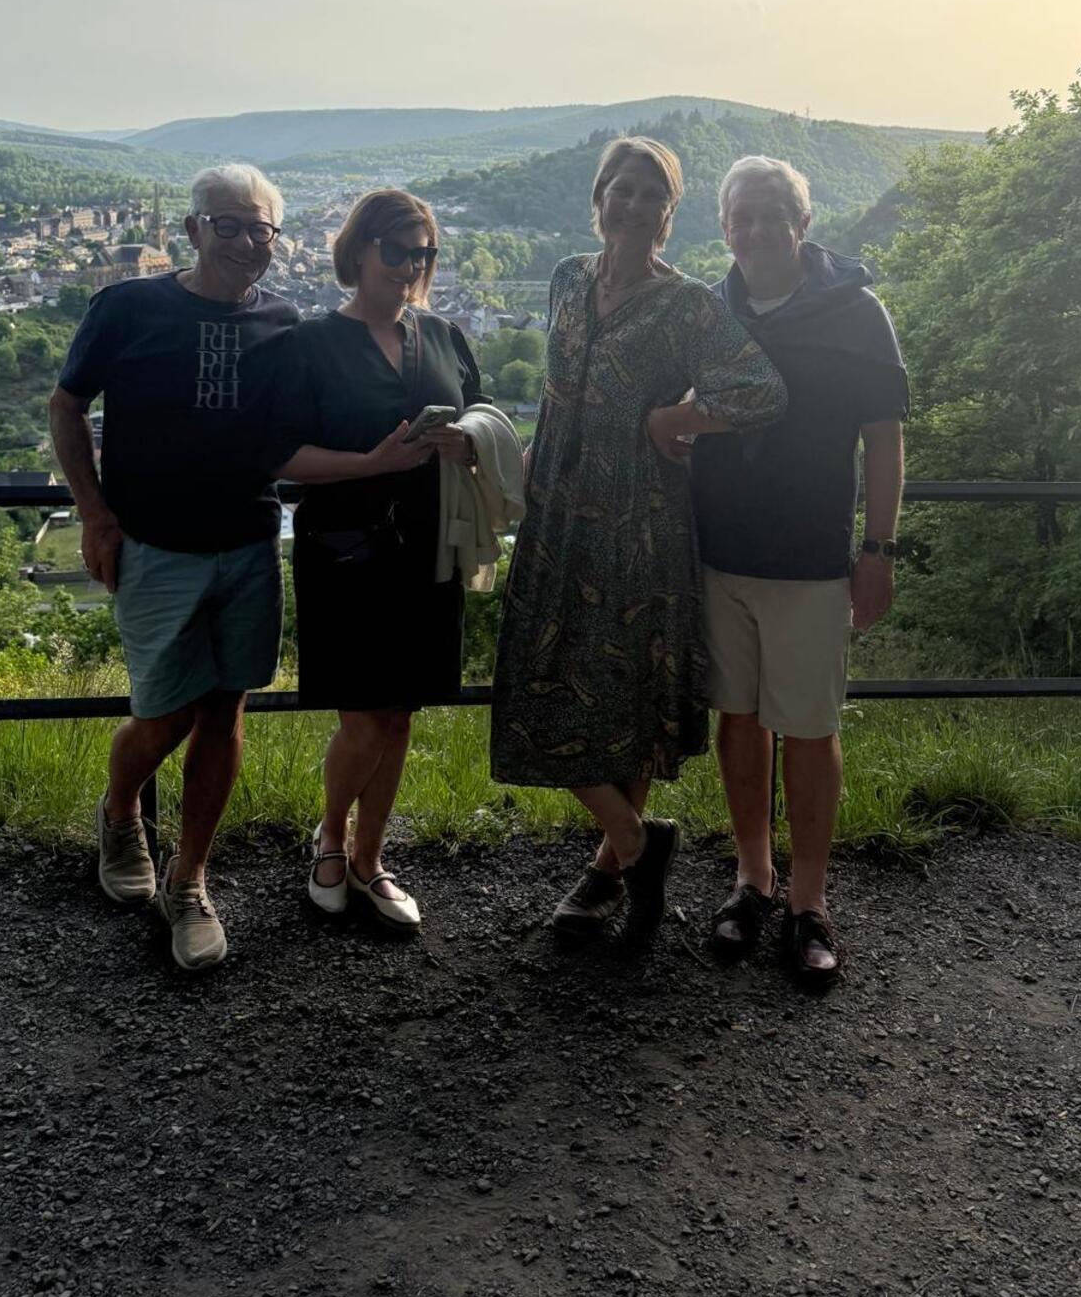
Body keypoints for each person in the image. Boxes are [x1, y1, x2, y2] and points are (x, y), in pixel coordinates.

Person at [490, 137, 786, 939]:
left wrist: (678, 419)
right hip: (556, 518)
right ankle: (633, 841)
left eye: (650, 194)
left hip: (638, 525)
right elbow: (560, 392)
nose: (632, 205)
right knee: (537, 685)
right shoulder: (565, 279)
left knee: (623, 697)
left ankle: (606, 872)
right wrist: (517, 459)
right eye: (619, 190)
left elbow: (761, 388)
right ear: (597, 198)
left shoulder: (686, 302)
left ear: (669, 213)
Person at [49, 164, 299, 973]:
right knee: (161, 715)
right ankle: (121, 813)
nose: (246, 241)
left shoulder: (285, 322)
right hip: (155, 548)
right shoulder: (128, 306)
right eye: (228, 224)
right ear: (191, 230)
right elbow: (66, 402)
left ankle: (188, 881)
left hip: (251, 545)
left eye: (261, 228)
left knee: (225, 716)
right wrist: (93, 511)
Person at [691, 156, 908, 979]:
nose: (756, 229)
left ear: (803, 224)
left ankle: (810, 901)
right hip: (720, 556)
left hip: (815, 562)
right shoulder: (709, 310)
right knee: (738, 723)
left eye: (773, 213)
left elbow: (885, 441)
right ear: (723, 227)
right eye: (741, 215)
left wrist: (877, 551)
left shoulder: (855, 313)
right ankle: (754, 878)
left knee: (811, 732)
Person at [273, 189, 489, 932]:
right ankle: (330, 838)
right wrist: (372, 462)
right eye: (395, 250)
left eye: (422, 253)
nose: (409, 266)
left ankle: (370, 857)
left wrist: (468, 441)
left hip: (430, 549)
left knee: (399, 715)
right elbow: (282, 458)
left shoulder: (444, 335)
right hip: (348, 552)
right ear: (359, 251)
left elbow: (484, 413)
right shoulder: (311, 344)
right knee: (364, 717)